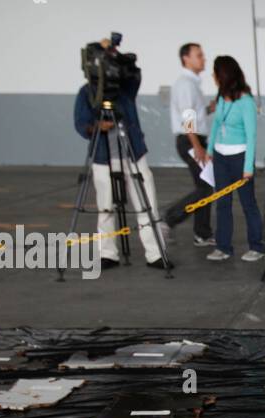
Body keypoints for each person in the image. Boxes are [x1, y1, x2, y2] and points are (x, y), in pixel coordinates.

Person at [73, 40, 166, 269]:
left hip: (133, 154)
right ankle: (108, 253)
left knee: (147, 203)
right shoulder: (87, 93)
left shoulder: (125, 88)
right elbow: (80, 123)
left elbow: (135, 76)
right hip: (104, 157)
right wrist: (97, 127)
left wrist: (118, 56)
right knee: (105, 207)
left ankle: (155, 254)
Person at [204, 56, 264, 262]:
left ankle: (257, 246)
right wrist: (210, 149)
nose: (213, 76)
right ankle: (223, 247)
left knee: (248, 204)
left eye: (215, 73)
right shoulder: (221, 97)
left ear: (224, 76)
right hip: (220, 158)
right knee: (222, 203)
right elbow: (215, 125)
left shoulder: (246, 102)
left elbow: (251, 135)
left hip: (239, 157)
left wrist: (248, 167)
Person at [164, 42, 216, 247]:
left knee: (205, 186)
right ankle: (169, 219)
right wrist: (199, 147)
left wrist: (208, 109)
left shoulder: (192, 84)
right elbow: (188, 119)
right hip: (190, 140)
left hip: (193, 139)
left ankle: (202, 234)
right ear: (186, 58)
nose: (203, 58)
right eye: (199, 55)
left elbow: (194, 113)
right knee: (204, 188)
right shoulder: (185, 84)